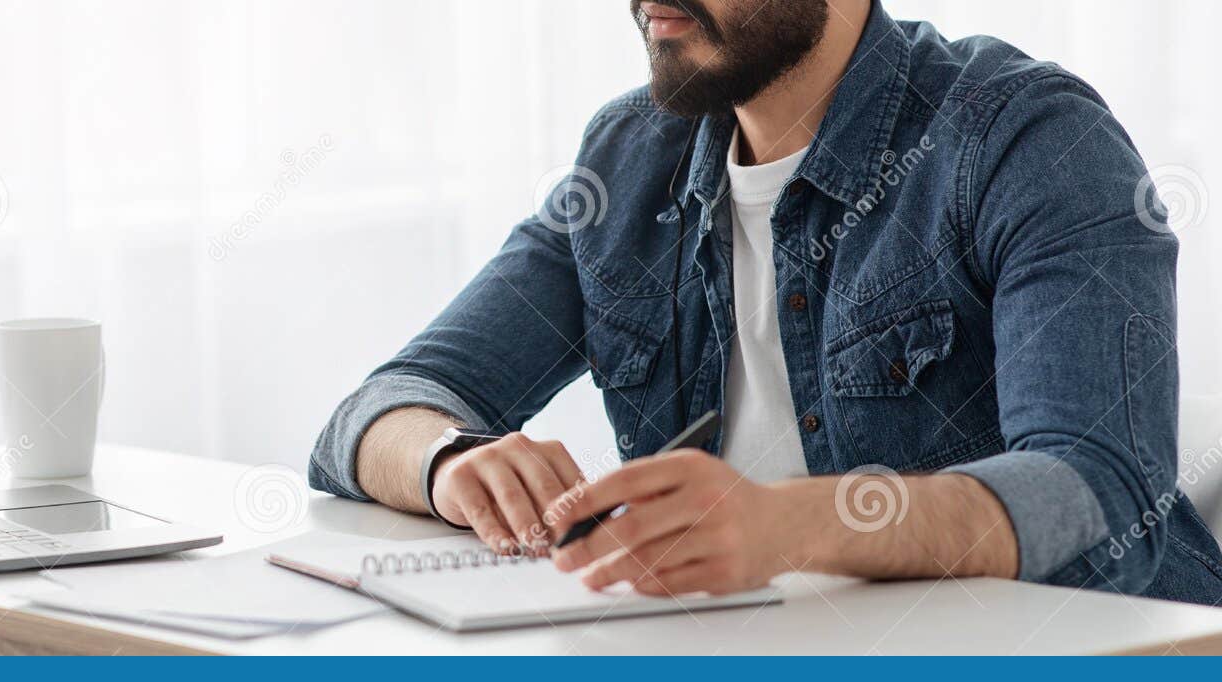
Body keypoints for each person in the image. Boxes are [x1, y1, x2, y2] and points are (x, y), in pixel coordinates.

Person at [309, 0, 1222, 605]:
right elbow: (378, 411)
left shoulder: (1029, 138)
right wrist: (448, 459)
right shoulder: (630, 157)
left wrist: (792, 523)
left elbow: (1100, 495)